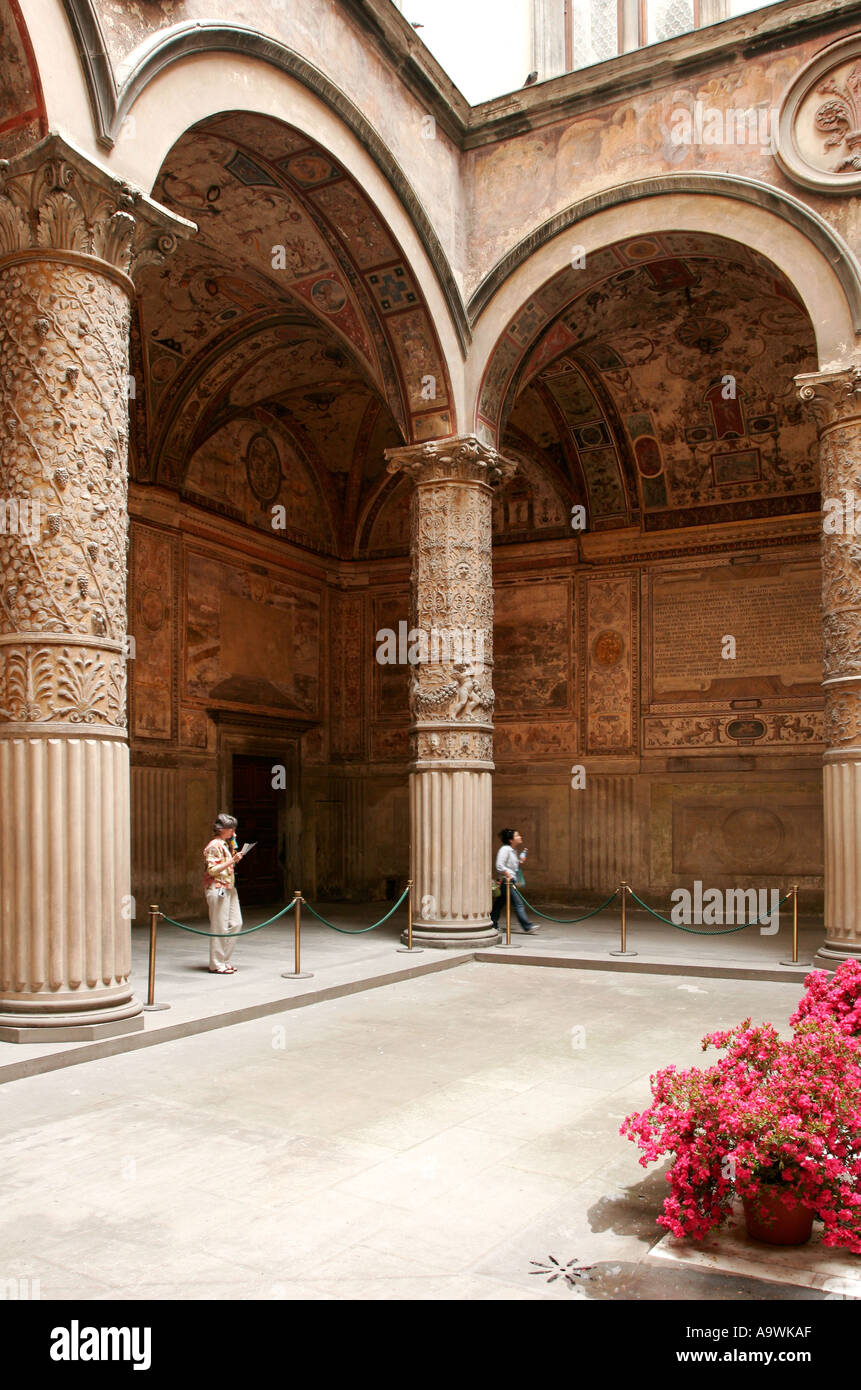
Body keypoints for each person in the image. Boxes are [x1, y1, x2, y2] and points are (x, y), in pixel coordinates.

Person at [203, 813, 245, 974]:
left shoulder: (226, 845)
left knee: (236, 923)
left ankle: (224, 959)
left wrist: (234, 848)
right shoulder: (214, 845)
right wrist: (232, 860)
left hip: (229, 887)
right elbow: (212, 870)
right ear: (222, 829)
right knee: (219, 926)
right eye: (231, 828)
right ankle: (216, 963)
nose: (233, 831)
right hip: (217, 887)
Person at [491, 827, 540, 934]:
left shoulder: (512, 851)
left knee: (499, 904)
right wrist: (508, 874)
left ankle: (492, 923)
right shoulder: (505, 850)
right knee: (518, 904)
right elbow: (499, 865)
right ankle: (527, 926)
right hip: (506, 881)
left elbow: (512, 866)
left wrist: (519, 861)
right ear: (511, 840)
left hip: (509, 881)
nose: (520, 837)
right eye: (517, 835)